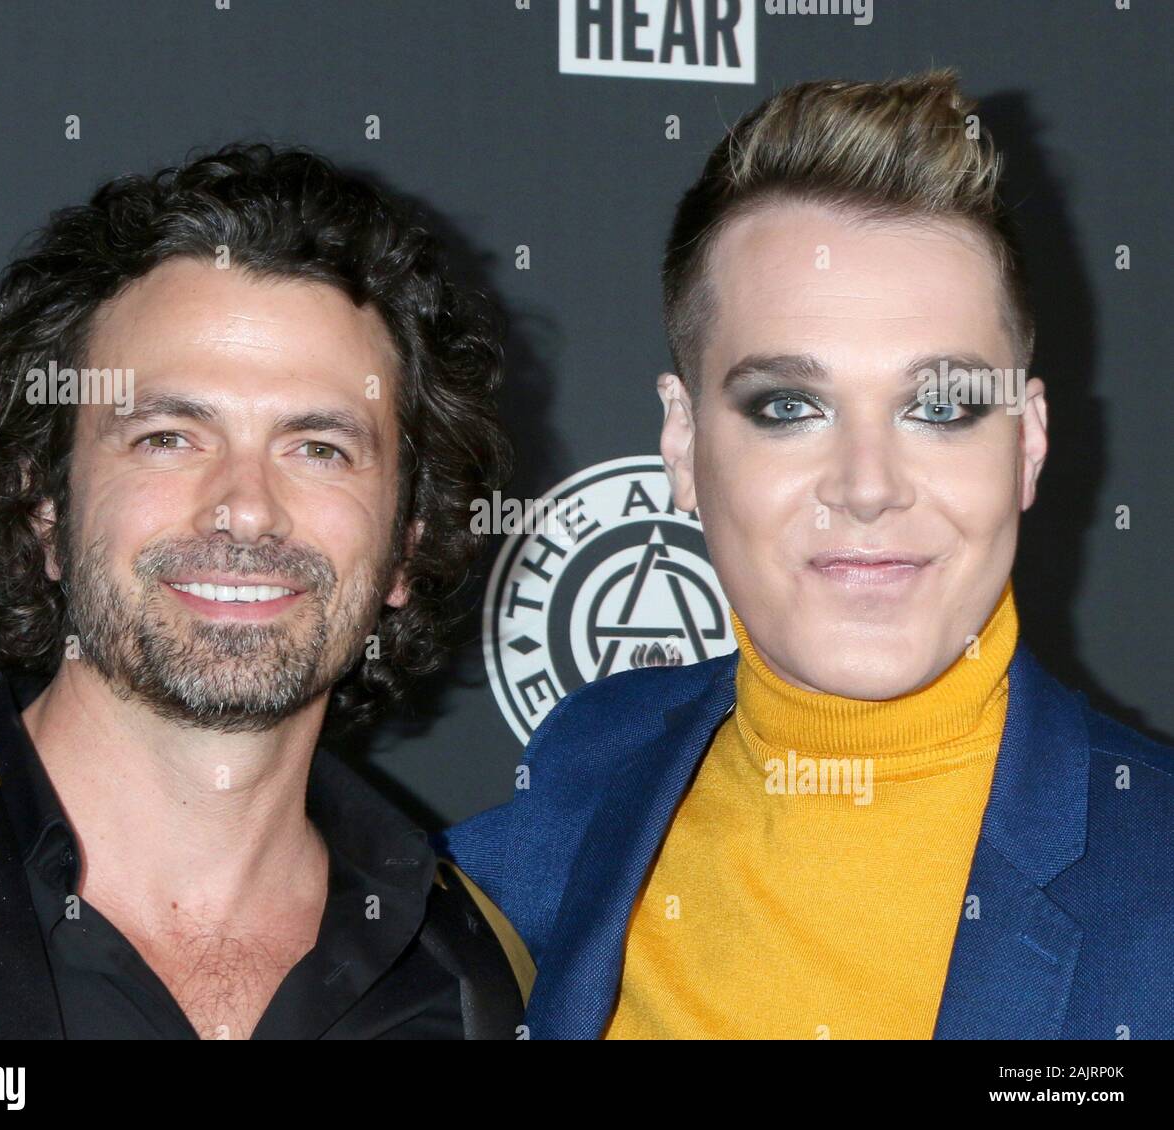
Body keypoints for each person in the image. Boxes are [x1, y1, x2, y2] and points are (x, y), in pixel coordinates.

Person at [442, 70, 1174, 1040]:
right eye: (789, 406)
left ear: (1027, 443)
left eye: (941, 406)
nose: (867, 485)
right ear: (682, 443)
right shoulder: (588, 767)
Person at [0, 142, 530, 1040]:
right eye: (169, 438)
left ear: (406, 548)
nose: (245, 510)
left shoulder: (482, 974)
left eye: (319, 449)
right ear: (44, 507)